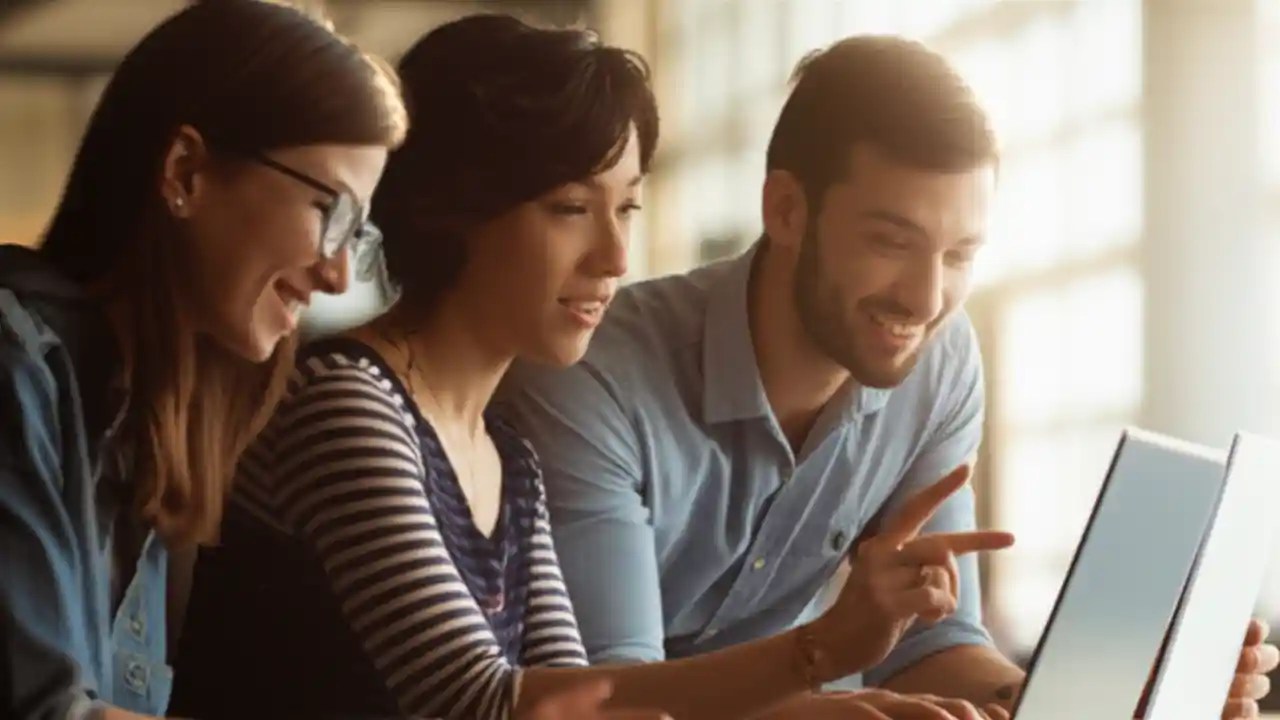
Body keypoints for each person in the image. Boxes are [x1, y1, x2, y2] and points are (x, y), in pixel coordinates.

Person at [170, 14, 1016, 720]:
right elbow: (483, 704)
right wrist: (823, 654)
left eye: (628, 208)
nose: (616, 255)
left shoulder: (506, 455)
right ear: (457, 209)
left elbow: (593, 705)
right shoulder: (348, 404)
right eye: (571, 209)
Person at [497, 33, 1280, 720]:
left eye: (961, 255)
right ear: (785, 210)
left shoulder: (937, 363)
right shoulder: (591, 379)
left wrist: (1088, 698)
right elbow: (608, 698)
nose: (926, 297)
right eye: (892, 241)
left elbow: (935, 648)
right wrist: (816, 673)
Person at [0, 2, 407, 719]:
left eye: (359, 232)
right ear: (185, 171)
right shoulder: (17, 368)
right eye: (331, 213)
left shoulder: (153, 418)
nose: (341, 275)